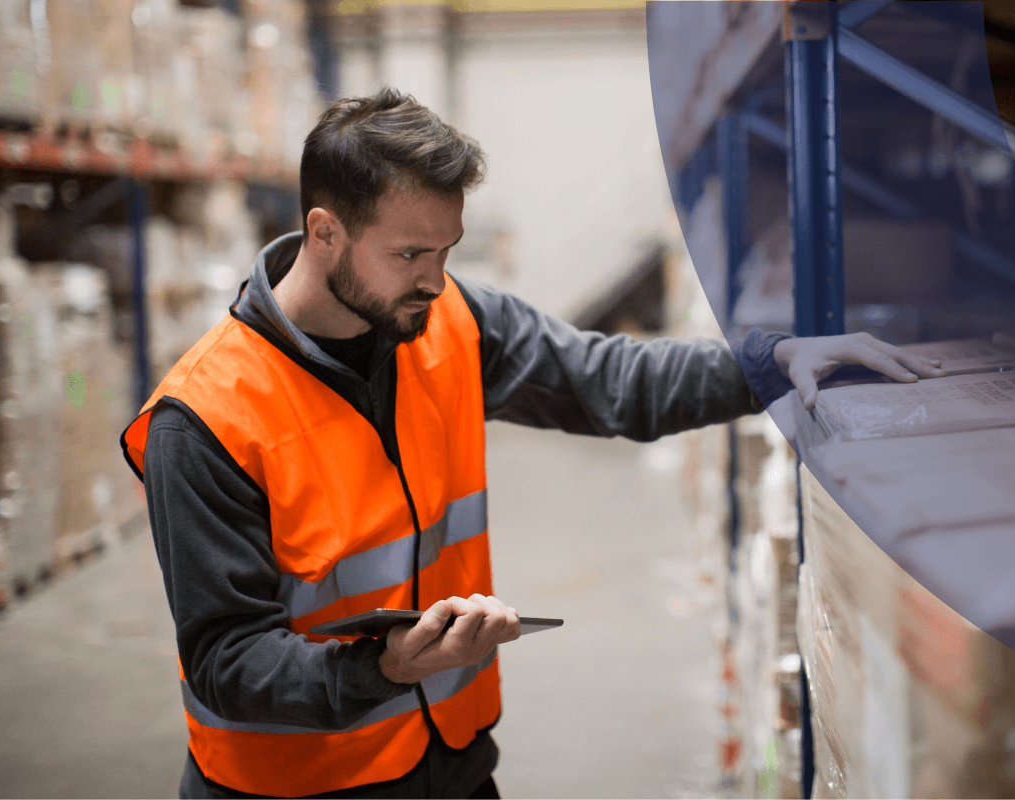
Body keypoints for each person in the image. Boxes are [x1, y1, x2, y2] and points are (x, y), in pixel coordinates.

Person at [120, 88, 943, 800]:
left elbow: (611, 381)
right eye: (410, 254)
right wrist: (382, 668)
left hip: (452, 759)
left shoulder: (447, 321)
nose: (437, 280)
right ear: (324, 232)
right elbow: (227, 659)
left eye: (448, 250)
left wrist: (771, 364)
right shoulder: (203, 421)